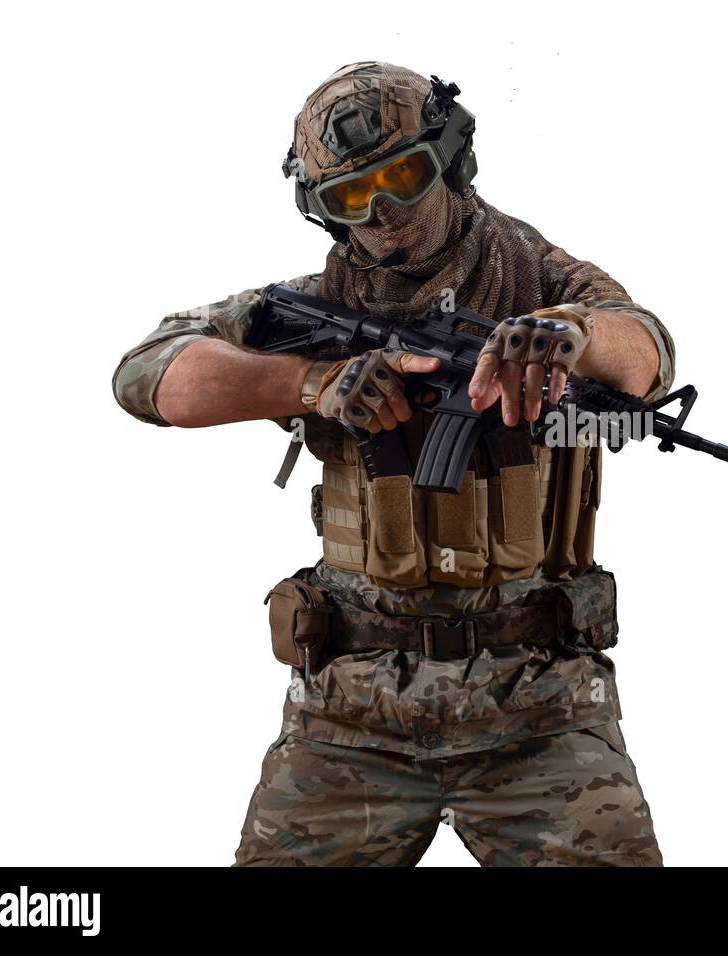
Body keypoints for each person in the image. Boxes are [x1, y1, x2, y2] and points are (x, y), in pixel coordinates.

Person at [113, 62, 675, 866]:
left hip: (542, 707)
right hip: (351, 708)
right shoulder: (316, 309)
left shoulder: (544, 280)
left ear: (449, 155)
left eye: (403, 177)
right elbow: (147, 376)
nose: (383, 216)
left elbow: (647, 352)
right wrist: (309, 383)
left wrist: (571, 335)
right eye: (350, 198)